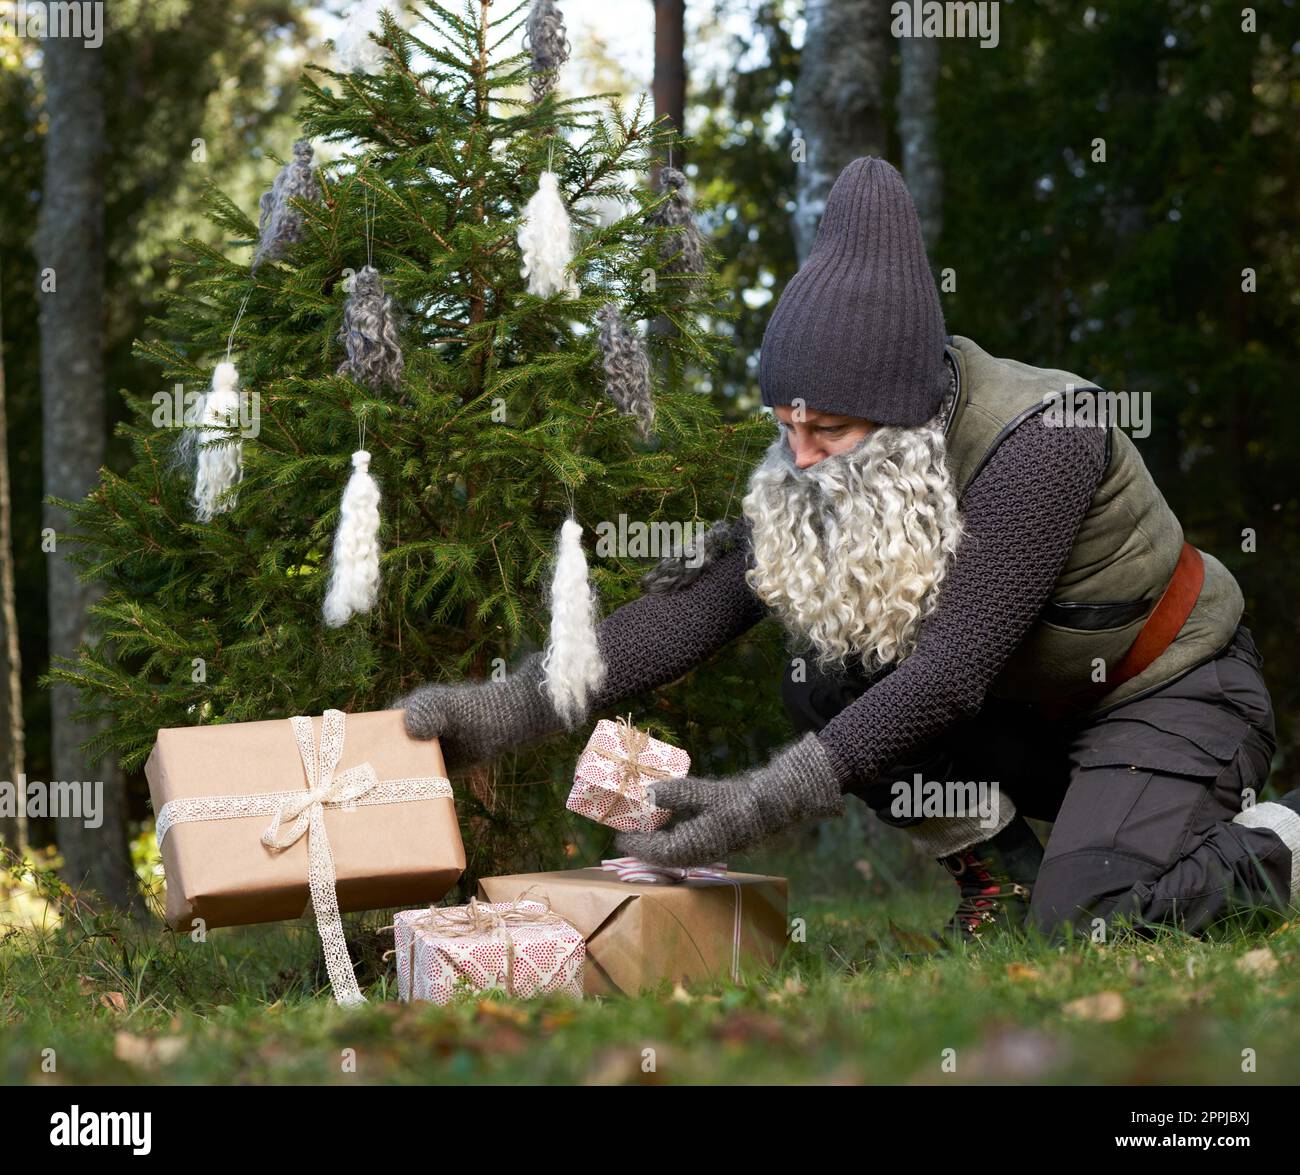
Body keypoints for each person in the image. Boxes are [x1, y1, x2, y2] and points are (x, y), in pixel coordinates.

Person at [395, 157, 1300, 949]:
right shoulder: (826, 453)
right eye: (784, 425)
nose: (800, 454)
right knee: (821, 671)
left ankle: (1280, 840)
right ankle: (1006, 878)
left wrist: (758, 803)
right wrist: (505, 707)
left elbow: (947, 678)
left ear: (902, 413)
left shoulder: (1045, 437)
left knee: (1094, 918)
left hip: (1168, 694)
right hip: (1034, 713)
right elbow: (693, 612)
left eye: (826, 429)